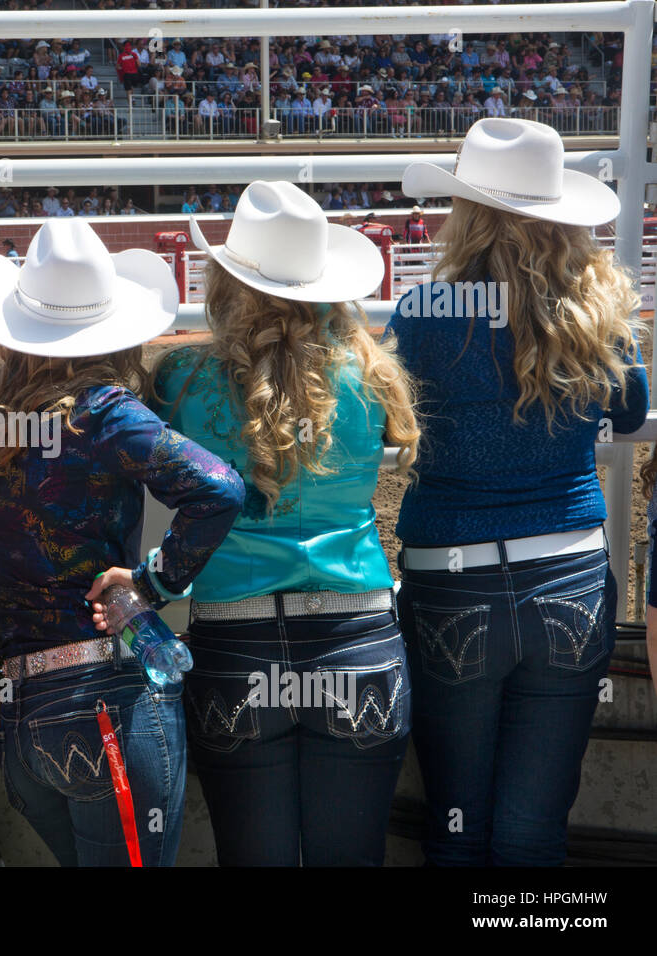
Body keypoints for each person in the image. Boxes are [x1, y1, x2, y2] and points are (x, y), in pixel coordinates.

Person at [388, 118, 649, 866]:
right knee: (533, 832)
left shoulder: (423, 316)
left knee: (458, 825)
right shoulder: (600, 315)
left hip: (452, 580)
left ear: (466, 214)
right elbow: (630, 411)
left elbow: (392, 420)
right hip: (567, 573)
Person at [151, 182, 421, 865]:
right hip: (356, 631)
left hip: (234, 641)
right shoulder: (372, 374)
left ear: (226, 277)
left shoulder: (180, 378)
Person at [0, 219, 244, 866]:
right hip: (109, 700)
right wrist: (153, 582)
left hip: (25, 710)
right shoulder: (103, 412)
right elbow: (219, 489)